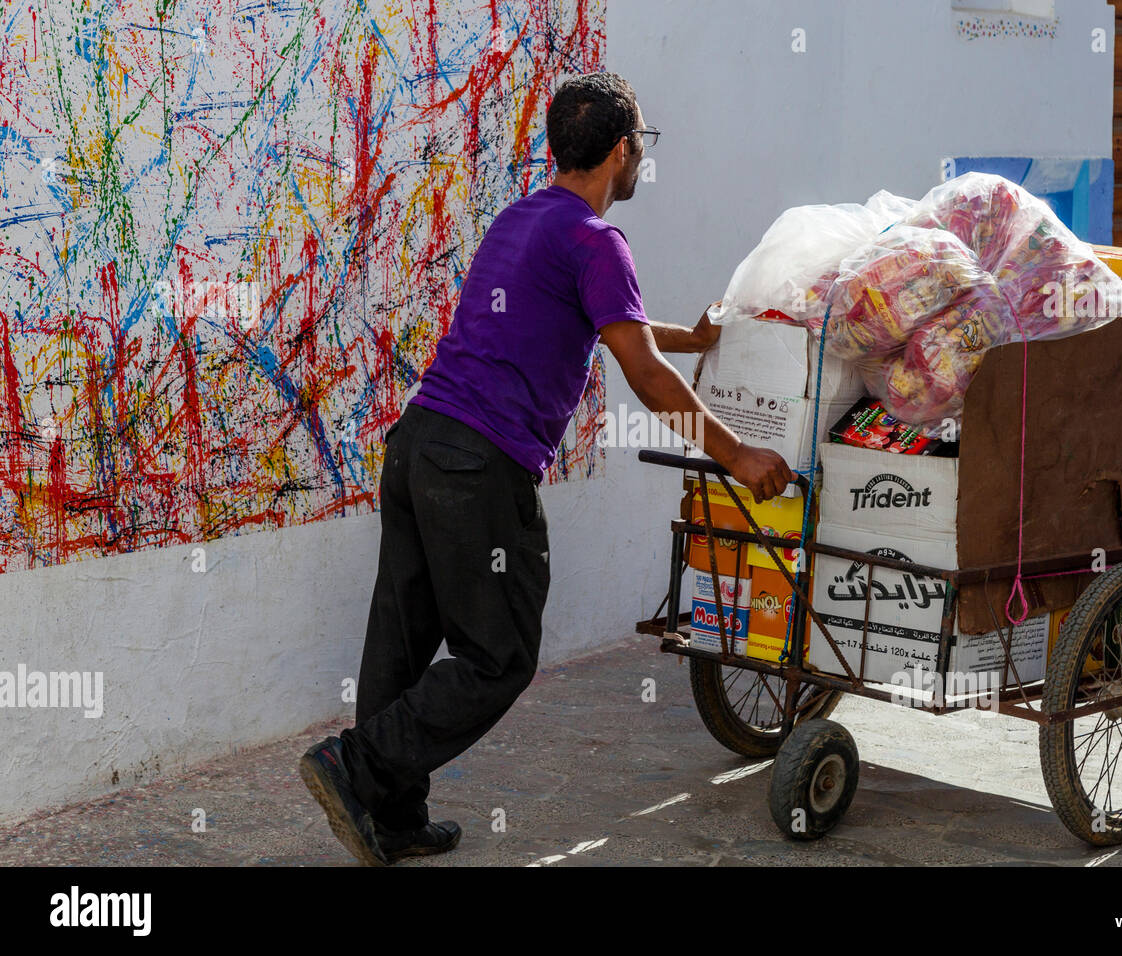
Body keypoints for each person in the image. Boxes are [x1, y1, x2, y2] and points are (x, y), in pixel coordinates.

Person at [298, 71, 792, 866]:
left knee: (402, 639)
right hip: (478, 465)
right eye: (642, 148)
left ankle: (388, 817)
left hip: (421, 444)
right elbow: (643, 371)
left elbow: (610, 322)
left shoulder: (525, 219)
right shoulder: (598, 238)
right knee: (500, 655)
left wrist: (691, 341)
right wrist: (736, 454)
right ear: (623, 151)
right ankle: (355, 766)